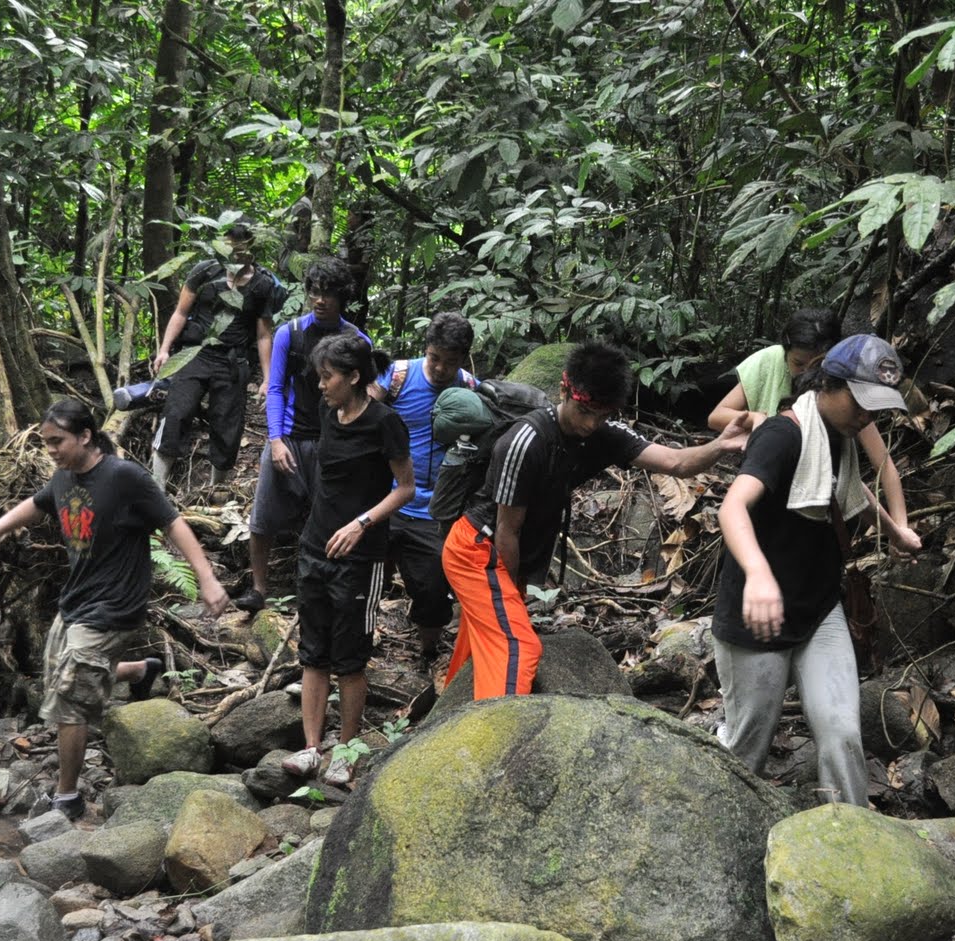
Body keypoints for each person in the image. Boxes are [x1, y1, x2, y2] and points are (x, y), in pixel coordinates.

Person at [0, 400, 229, 820]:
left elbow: (173, 522)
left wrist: (206, 578)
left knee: (70, 701)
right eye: (46, 442)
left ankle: (67, 797)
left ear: (85, 436)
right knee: (57, 677)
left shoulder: (123, 476)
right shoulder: (64, 476)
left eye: (57, 441)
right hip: (76, 601)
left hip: (114, 605)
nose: (50, 449)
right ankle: (138, 671)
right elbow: (37, 504)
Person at [442, 341, 751, 701]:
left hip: (506, 553)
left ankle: (449, 716)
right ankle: (500, 729)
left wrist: (721, 444)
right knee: (516, 647)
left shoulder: (604, 435)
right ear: (564, 389)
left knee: (483, 643)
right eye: (585, 411)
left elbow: (676, 463)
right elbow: (507, 529)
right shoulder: (526, 441)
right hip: (477, 549)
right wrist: (512, 599)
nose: (591, 424)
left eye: (602, 415)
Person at [714, 335, 909, 806]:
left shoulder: (841, 436)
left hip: (818, 608)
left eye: (875, 407)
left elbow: (849, 490)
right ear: (828, 385)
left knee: (843, 733)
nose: (867, 416)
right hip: (757, 615)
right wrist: (759, 575)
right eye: (860, 402)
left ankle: (851, 833)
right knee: (747, 748)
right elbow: (732, 507)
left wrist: (894, 531)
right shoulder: (782, 435)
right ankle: (716, 828)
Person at [282, 330, 416, 785]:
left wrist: (362, 524)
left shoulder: (384, 422)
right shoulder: (328, 411)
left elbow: (405, 488)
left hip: (361, 557)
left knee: (350, 657)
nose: (321, 385)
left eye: (328, 377)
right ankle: (310, 748)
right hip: (315, 546)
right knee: (313, 653)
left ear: (354, 377)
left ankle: (346, 751)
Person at [708, 309, 921, 553]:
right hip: (771, 492)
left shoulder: (848, 410)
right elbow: (734, 505)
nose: (808, 371)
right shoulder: (784, 429)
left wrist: (900, 531)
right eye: (799, 363)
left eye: (817, 363)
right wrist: (758, 419)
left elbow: (865, 476)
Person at [236, 255, 365, 612]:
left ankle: (321, 591)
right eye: (315, 292)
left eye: (329, 293)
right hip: (290, 436)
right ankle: (259, 588)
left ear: (342, 297)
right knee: (263, 517)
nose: (320, 300)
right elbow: (276, 387)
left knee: (331, 518)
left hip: (333, 443)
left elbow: (364, 396)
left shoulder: (355, 341)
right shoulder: (289, 333)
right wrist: (275, 440)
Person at [368, 310, 479, 669]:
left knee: (432, 590)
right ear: (426, 348)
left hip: (435, 511)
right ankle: (359, 644)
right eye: (434, 358)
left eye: (450, 361)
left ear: (463, 358)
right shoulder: (397, 376)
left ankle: (427, 654)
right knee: (364, 578)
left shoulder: (470, 390)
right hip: (386, 499)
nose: (441, 368)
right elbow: (363, 417)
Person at [151, 221, 280, 486]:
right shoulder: (206, 271)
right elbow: (181, 312)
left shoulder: (262, 284)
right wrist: (164, 351)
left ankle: (215, 491)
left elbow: (264, 335)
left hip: (233, 360)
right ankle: (157, 487)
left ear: (252, 249)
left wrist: (268, 379)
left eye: (241, 249)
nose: (235, 255)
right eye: (230, 248)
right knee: (176, 415)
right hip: (195, 353)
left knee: (227, 427)